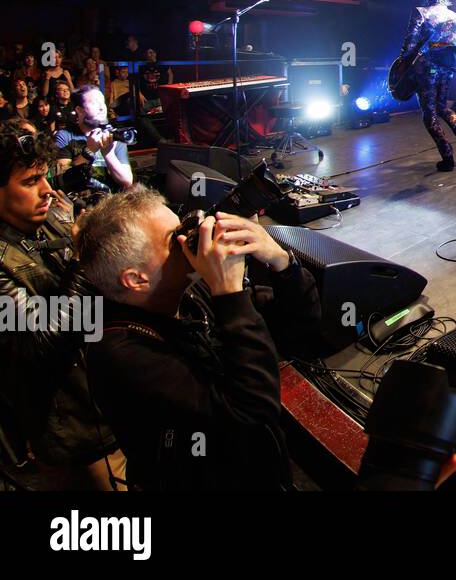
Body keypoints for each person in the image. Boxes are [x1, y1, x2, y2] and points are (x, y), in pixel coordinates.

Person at [77, 188, 317, 490]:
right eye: (175, 238)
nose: (192, 241)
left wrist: (281, 262)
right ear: (137, 279)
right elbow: (251, 412)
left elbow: (299, 328)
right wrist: (229, 293)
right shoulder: (119, 354)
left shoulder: (188, 296)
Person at [0, 122, 122, 490]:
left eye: (45, 176)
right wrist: (83, 260)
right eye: (30, 181)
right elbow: (42, 343)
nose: (47, 190)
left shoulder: (51, 214)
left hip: (108, 401)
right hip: (74, 431)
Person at [400, 0, 456, 171]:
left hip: (427, 68)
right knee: (442, 107)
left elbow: (410, 42)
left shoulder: (420, 12)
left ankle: (447, 156)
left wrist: (402, 63)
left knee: (429, 114)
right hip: (447, 68)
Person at [56, 85, 133, 193]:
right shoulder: (65, 135)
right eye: (94, 103)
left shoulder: (114, 136)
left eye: (103, 102)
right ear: (79, 110)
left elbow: (127, 182)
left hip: (111, 202)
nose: (102, 108)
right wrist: (90, 150)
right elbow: (62, 180)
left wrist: (108, 154)